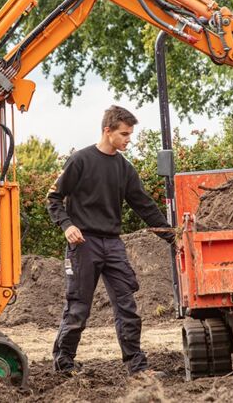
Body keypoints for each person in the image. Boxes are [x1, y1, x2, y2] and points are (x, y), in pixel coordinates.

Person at [47, 105, 174, 376]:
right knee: (78, 307)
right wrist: (67, 225)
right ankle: (64, 364)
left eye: (130, 134)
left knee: (127, 306)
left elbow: (144, 206)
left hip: (113, 244)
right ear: (108, 131)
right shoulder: (79, 160)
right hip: (83, 244)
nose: (129, 139)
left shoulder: (124, 168)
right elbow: (53, 199)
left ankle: (137, 368)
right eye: (125, 134)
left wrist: (171, 237)